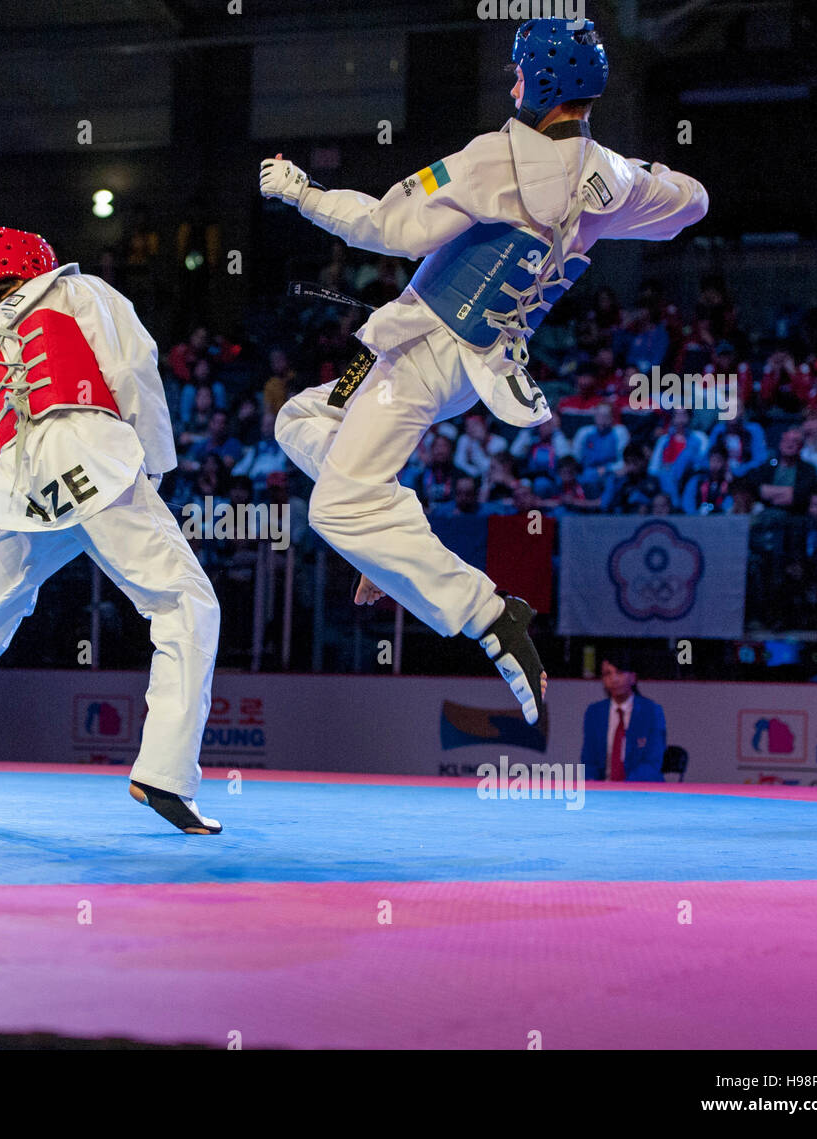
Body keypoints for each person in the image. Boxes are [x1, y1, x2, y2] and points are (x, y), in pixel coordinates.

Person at [263, 16, 707, 724]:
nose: (513, 82)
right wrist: (647, 177)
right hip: (469, 364)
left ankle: (492, 616)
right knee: (301, 418)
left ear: (545, 82)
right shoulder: (612, 178)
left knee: (339, 506)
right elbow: (690, 204)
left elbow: (386, 226)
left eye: (521, 71)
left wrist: (301, 192)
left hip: (424, 349)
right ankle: (384, 544)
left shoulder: (492, 158)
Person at [0, 228, 223, 833]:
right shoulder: (78, 290)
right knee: (185, 602)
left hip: (25, 484)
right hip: (94, 460)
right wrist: (154, 463)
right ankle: (165, 773)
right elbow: (132, 368)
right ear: (40, 262)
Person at [581, 650, 666, 782]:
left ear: (633, 677)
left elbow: (652, 762)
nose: (613, 679)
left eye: (619, 672)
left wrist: (624, 788)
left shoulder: (651, 712)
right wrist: (592, 784)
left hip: (642, 791)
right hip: (603, 792)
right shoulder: (594, 713)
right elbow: (588, 761)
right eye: (607, 674)